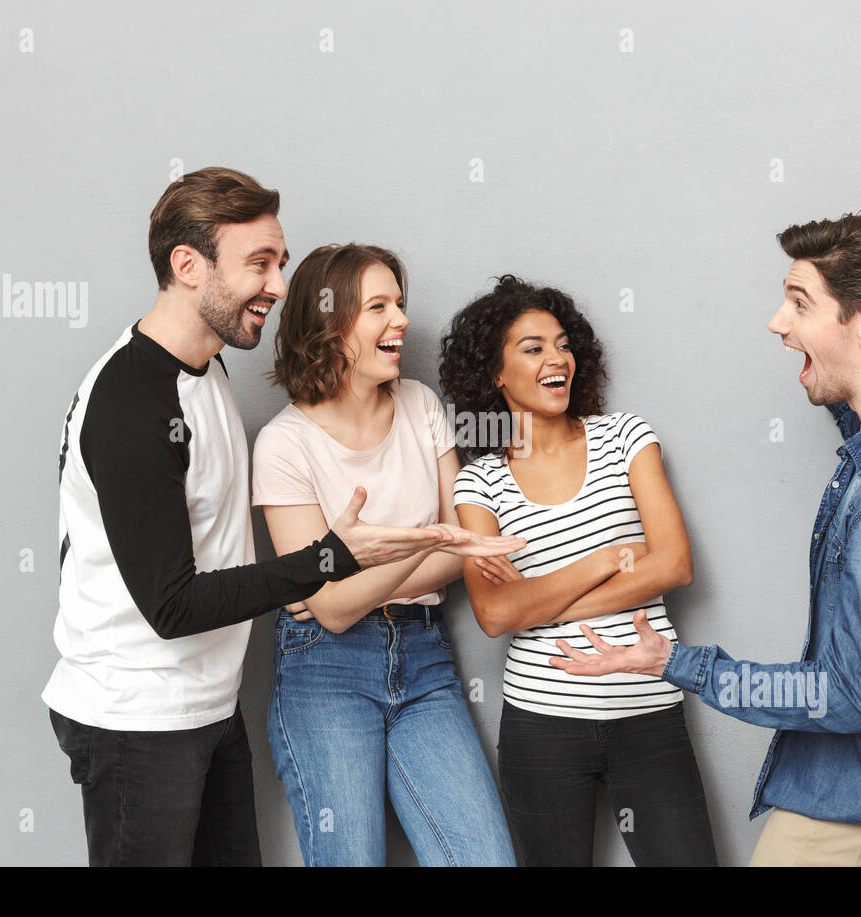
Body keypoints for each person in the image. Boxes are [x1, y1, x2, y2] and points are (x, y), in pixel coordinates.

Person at [554, 212, 861, 867]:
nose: (777, 322)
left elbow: (843, 695)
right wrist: (840, 385)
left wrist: (673, 662)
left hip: (859, 779)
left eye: (800, 304)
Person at [43, 168, 456, 866]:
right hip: (135, 719)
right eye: (258, 264)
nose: (278, 285)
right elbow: (170, 606)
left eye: (281, 263)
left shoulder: (206, 370)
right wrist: (331, 558)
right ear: (187, 266)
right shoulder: (133, 400)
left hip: (207, 707)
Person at [252, 243, 524, 867]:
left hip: (426, 659)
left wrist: (383, 564)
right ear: (330, 326)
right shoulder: (283, 446)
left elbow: (461, 553)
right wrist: (430, 537)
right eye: (379, 306)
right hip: (326, 674)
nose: (401, 319)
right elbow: (337, 612)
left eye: (399, 303)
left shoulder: (421, 405)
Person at [442, 275, 718, 867]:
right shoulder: (478, 481)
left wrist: (540, 602)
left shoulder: (626, 437)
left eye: (563, 344)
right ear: (495, 372)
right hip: (541, 727)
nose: (556, 359)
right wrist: (605, 559)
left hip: (648, 708)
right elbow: (494, 614)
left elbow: (674, 564)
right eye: (533, 347)